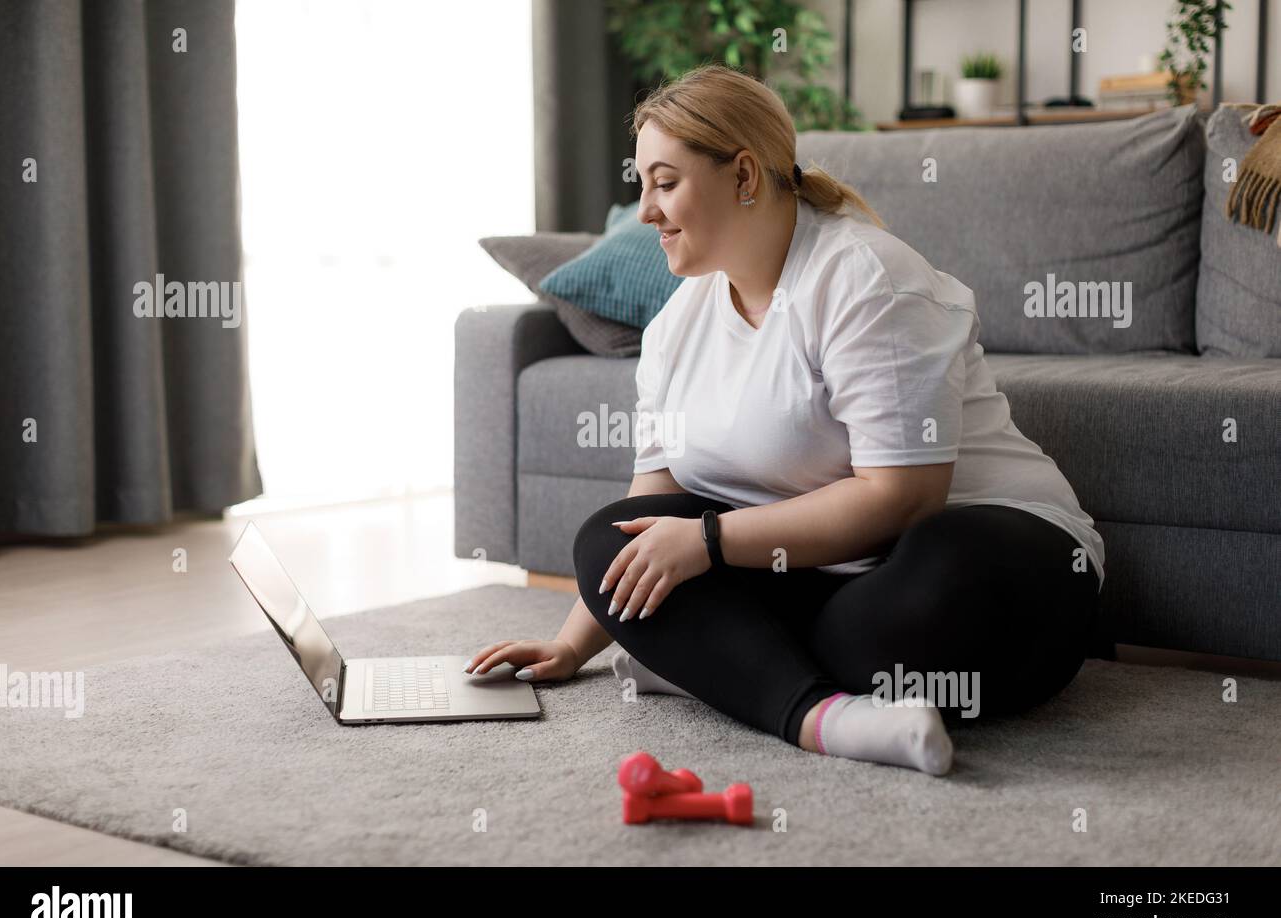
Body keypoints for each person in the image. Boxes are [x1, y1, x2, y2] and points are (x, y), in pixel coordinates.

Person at [464, 64, 1103, 776]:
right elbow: (648, 505)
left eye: (665, 182)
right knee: (601, 541)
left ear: (742, 177)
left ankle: (723, 665)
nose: (646, 210)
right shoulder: (677, 327)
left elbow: (903, 497)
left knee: (893, 618)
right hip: (820, 572)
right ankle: (819, 717)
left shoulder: (864, 279)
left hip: (987, 553)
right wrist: (576, 642)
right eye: (640, 184)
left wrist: (707, 540)